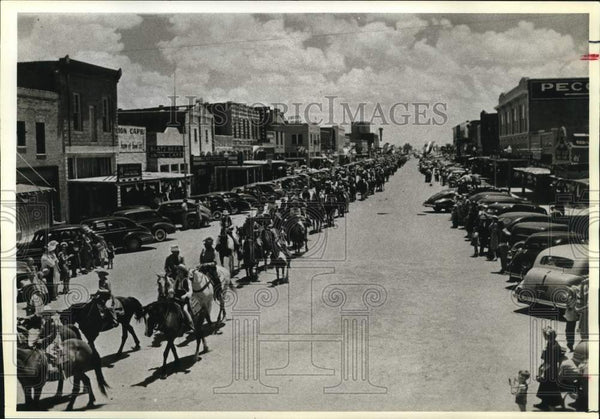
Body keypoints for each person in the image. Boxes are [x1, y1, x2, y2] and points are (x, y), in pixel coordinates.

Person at [534, 326, 564, 411]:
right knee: (545, 386)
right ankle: (544, 403)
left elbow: (550, 362)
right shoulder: (552, 343)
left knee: (550, 387)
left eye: (544, 335)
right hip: (550, 368)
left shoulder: (553, 347)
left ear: (547, 336)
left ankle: (550, 406)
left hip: (551, 370)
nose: (544, 336)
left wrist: (541, 371)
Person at [172, 264, 195, 332]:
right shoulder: (177, 280)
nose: (178, 273)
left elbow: (190, 291)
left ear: (183, 272)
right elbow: (173, 289)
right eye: (178, 271)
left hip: (184, 300)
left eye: (180, 271)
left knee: (185, 310)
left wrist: (185, 295)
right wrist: (171, 291)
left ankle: (192, 326)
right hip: (176, 298)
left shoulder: (187, 280)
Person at [199, 237, 221, 302]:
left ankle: (218, 293)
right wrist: (201, 264)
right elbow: (201, 259)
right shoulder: (203, 250)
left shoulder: (213, 251)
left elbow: (215, 262)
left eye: (206, 244)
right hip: (203, 268)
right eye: (205, 244)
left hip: (211, 269)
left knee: (216, 280)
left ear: (210, 245)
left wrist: (207, 264)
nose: (205, 245)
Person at [564, 285, 579, 352]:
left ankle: (570, 344)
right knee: (570, 331)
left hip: (571, 317)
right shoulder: (574, 299)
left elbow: (567, 303)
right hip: (572, 317)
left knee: (569, 331)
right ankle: (570, 344)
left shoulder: (572, 299)